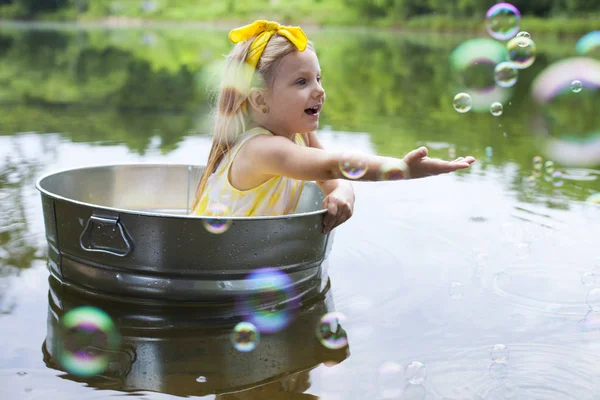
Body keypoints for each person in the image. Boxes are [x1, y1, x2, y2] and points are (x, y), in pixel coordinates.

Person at [191, 20, 475, 234]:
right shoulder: (262, 149)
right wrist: (402, 168)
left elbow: (333, 178)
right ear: (260, 99)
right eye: (301, 82)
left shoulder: (301, 135)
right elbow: (333, 165)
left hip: (248, 258)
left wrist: (343, 192)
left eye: (318, 78)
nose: (319, 91)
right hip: (207, 261)